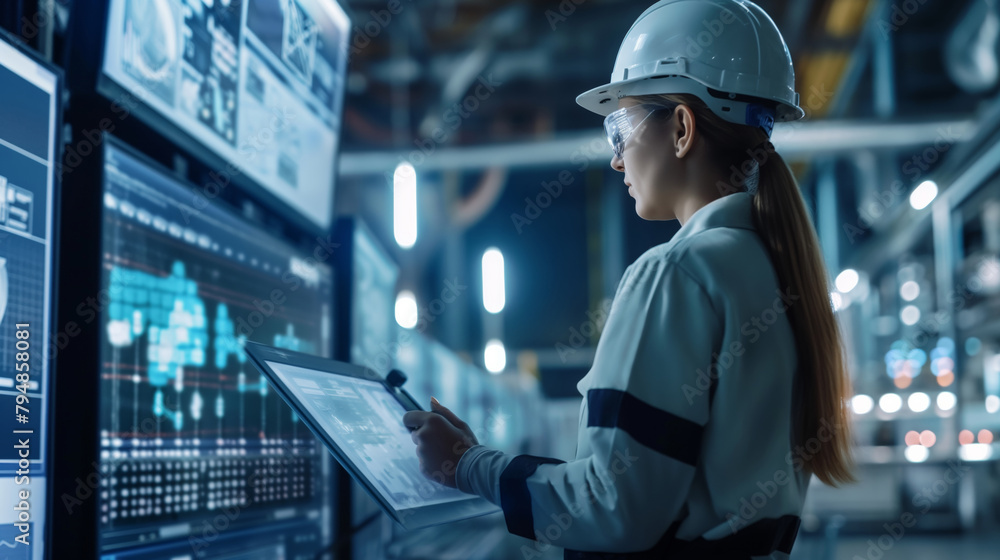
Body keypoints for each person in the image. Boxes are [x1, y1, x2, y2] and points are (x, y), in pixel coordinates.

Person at [403, 1, 856, 557]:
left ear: (683, 128)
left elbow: (615, 510)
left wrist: (467, 466)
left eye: (620, 127)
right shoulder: (770, 267)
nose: (617, 160)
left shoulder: (678, 273)